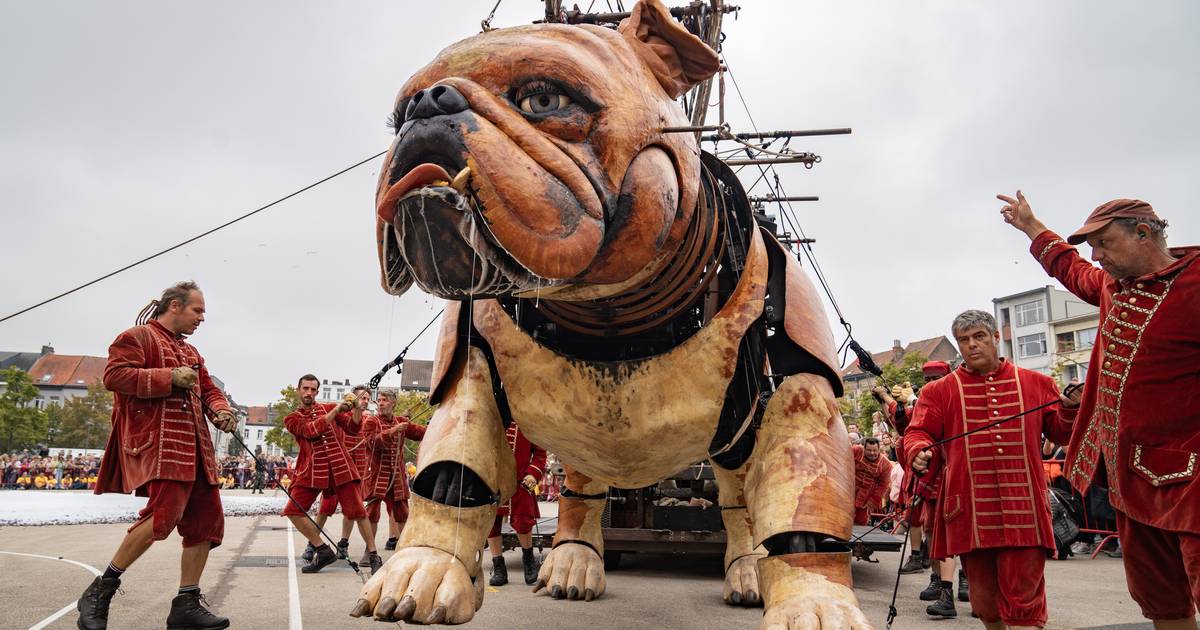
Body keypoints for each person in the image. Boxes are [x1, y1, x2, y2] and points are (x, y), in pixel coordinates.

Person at [999, 191, 1200, 628]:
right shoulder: (1112, 285)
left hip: (1192, 479)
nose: (1097, 256)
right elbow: (1071, 268)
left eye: (1104, 243)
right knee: (1161, 600)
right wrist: (1031, 226)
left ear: (1143, 233)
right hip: (1128, 478)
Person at [76, 281, 238, 630]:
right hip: (161, 447)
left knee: (206, 523)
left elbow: (208, 389)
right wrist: (169, 377)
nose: (202, 318)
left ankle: (186, 604)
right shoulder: (136, 337)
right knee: (163, 516)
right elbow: (114, 377)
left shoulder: (191, 352)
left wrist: (222, 410)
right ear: (175, 305)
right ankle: (101, 590)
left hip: (196, 450)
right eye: (198, 310)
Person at [905, 310, 1079, 628]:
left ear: (996, 338)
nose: (972, 345)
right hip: (970, 511)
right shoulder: (938, 391)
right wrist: (918, 450)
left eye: (979, 336)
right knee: (984, 603)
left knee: (1025, 602)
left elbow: (1061, 433)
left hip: (1024, 509)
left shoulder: (1037, 383)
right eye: (964, 340)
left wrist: (1071, 409)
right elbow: (917, 432)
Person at [283, 375, 379, 574]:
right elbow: (311, 430)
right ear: (299, 390)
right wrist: (336, 410)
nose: (309, 392)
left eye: (313, 389)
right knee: (292, 510)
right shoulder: (292, 418)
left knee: (358, 512)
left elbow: (353, 428)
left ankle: (373, 555)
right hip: (313, 470)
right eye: (305, 388)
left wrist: (357, 410)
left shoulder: (328, 407)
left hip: (340, 467)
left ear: (317, 392)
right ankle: (322, 549)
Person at [305, 385, 373, 565]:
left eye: (367, 399)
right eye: (362, 398)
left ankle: (343, 543)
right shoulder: (341, 415)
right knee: (325, 508)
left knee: (352, 511)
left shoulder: (368, 420)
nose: (365, 401)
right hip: (336, 470)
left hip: (356, 472)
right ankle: (312, 544)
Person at [361, 388, 426, 553]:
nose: (381, 403)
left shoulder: (400, 421)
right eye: (379, 400)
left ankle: (405, 551)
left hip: (397, 476)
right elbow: (372, 443)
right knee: (372, 514)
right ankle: (369, 551)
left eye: (385, 400)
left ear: (393, 403)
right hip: (376, 476)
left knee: (403, 513)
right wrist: (393, 431)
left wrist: (437, 426)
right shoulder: (371, 421)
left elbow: (420, 433)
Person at [487, 420, 547, 587]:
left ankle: (529, 560)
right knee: (491, 524)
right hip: (492, 481)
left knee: (523, 521)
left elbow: (540, 454)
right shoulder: (489, 418)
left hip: (520, 482)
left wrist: (533, 474)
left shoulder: (526, 420)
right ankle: (499, 568)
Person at [852, 437, 892, 526]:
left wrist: (871, 503)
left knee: (861, 524)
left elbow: (883, 486)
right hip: (849, 492)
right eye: (869, 450)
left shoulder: (886, 464)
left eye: (875, 450)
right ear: (864, 448)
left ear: (879, 450)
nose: (872, 453)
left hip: (866, 499)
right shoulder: (856, 451)